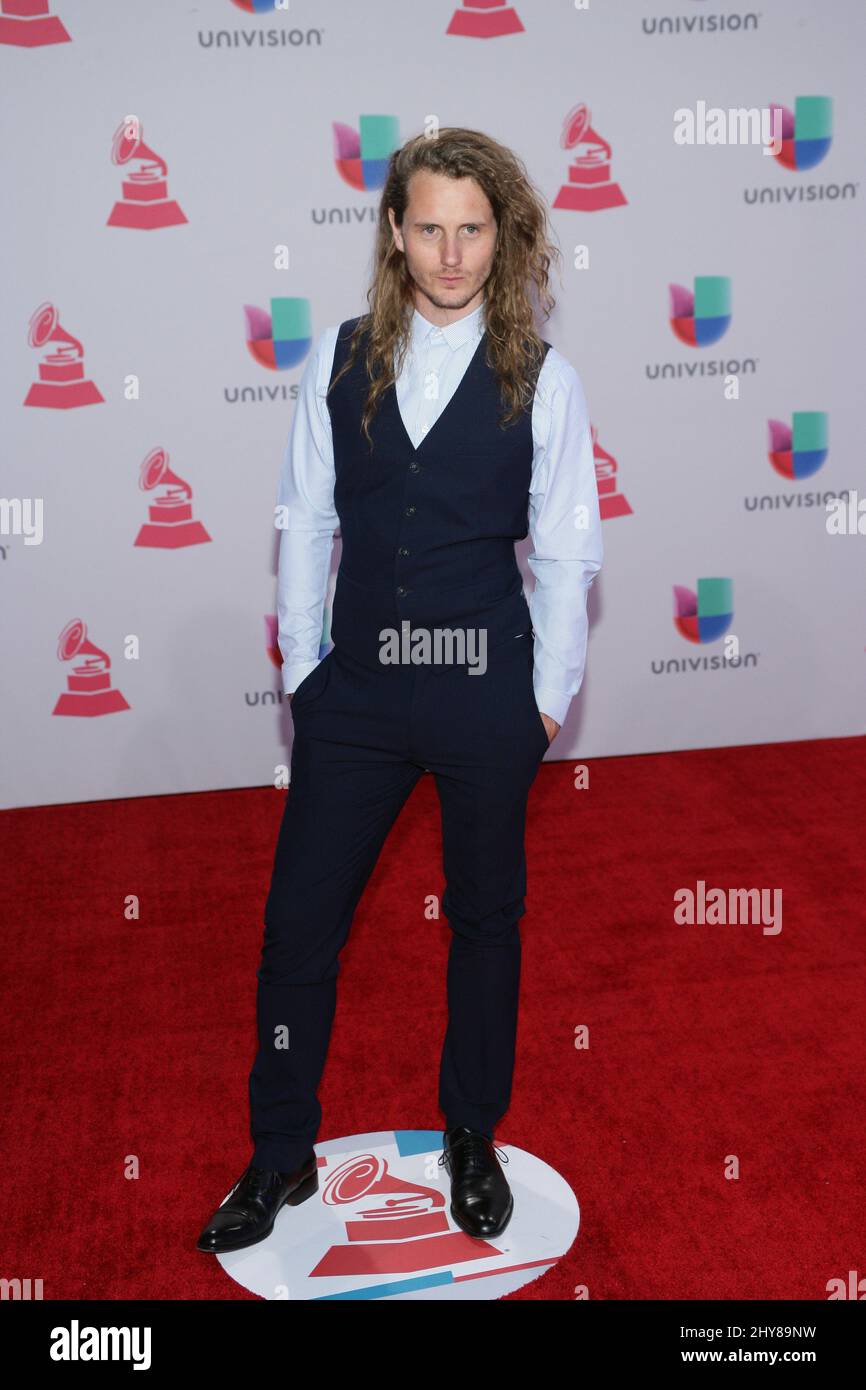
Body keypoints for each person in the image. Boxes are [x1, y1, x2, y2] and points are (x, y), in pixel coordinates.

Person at [197, 127, 603, 1255]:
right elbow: (307, 520)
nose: (451, 250)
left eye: (472, 228)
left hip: (485, 695)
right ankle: (279, 1155)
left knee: (485, 917)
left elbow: (567, 552)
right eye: (429, 225)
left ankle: (471, 1132)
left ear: (501, 234)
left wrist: (540, 704)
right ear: (393, 230)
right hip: (360, 693)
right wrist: (304, 672)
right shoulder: (334, 359)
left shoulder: (544, 378)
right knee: (296, 927)